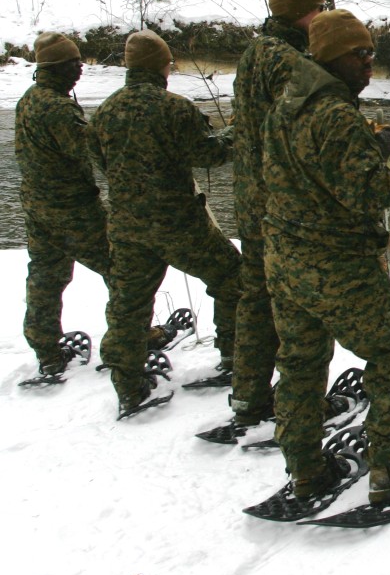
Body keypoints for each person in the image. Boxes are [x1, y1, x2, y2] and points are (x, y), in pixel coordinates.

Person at [260, 9, 390, 504]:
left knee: (300, 363)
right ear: (327, 57)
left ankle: (305, 471)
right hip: (335, 265)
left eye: (371, 53)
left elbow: (305, 178)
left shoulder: (286, 107)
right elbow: (369, 193)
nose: (368, 62)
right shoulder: (334, 116)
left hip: (284, 259)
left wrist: (372, 147)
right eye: (357, 54)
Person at [91, 30, 242, 417]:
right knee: (232, 277)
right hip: (178, 224)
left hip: (126, 225)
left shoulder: (104, 111)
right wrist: (235, 136)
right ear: (163, 66)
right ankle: (235, 358)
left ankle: (128, 387)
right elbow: (206, 155)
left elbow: (100, 160)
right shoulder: (175, 108)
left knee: (128, 305)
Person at [227, 0, 324, 429]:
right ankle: (296, 410)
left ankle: (247, 394)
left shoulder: (253, 52)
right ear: (306, 12)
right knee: (293, 309)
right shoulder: (286, 60)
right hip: (280, 204)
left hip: (249, 198)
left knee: (255, 297)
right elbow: (305, 132)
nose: (322, 15)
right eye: (319, 8)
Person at [14, 32, 109, 378]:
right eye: (76, 63)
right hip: (73, 210)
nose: (81, 68)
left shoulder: (29, 100)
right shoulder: (57, 108)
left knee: (45, 278)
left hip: (37, 208)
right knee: (123, 268)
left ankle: (46, 350)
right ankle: (134, 337)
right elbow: (92, 152)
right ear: (60, 66)